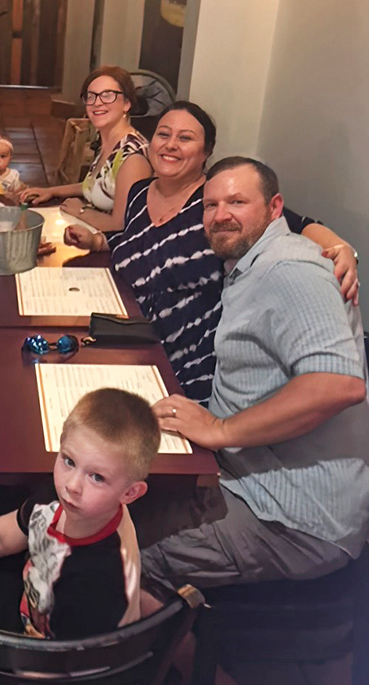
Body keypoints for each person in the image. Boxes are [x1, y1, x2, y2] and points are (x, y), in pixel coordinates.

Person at [140, 157, 369, 602]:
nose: (220, 214)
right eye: (210, 205)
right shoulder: (251, 260)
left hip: (293, 518)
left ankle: (156, 656)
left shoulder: (289, 270)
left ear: (275, 207)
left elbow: (338, 383)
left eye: (237, 202)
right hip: (242, 478)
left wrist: (221, 430)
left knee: (112, 546)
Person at [64, 102, 359, 405]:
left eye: (185, 138)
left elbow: (300, 225)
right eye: (163, 134)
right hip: (133, 335)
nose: (171, 145)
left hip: (191, 369)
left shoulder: (217, 204)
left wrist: (342, 247)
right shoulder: (139, 192)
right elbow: (140, 240)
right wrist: (99, 241)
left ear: (206, 152)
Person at [0, 388, 160, 639]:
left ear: (130, 493)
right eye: (69, 461)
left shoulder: (100, 580)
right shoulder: (59, 499)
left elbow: (70, 660)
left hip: (63, 651)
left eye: (97, 477)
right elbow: (5, 533)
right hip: (38, 603)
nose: (72, 486)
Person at [19, 66, 152, 231]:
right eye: (91, 96)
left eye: (107, 95)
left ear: (126, 103)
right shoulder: (108, 141)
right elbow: (95, 185)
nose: (97, 103)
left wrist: (81, 212)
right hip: (90, 234)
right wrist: (51, 191)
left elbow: (121, 224)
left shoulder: (132, 156)